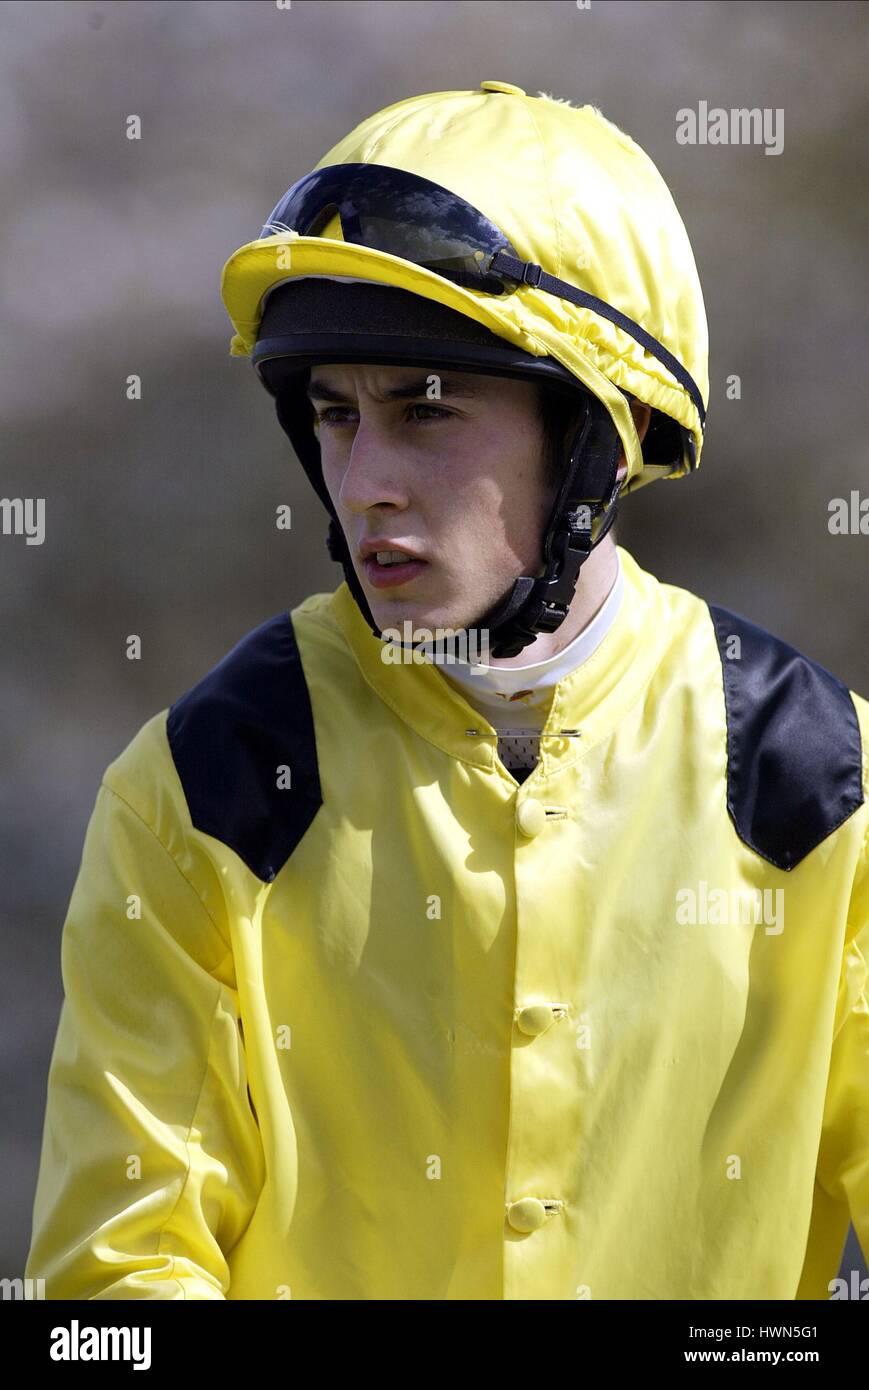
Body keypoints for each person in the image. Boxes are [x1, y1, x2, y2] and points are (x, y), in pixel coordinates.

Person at [26, 82, 868, 1300]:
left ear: (597, 432)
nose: (363, 480)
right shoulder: (203, 783)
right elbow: (111, 1297)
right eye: (333, 414)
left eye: (425, 410)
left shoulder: (818, 776)